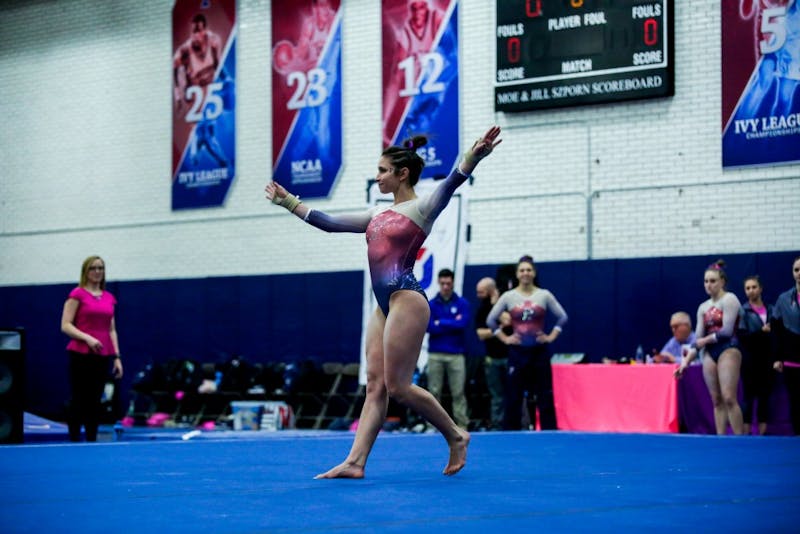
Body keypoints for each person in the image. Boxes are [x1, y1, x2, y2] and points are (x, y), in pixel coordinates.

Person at [265, 125, 502, 477]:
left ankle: (455, 435)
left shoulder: (422, 208)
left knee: (399, 387)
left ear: (402, 173)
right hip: (384, 305)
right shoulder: (376, 215)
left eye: (382, 170)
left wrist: (473, 157)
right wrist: (288, 201)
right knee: (374, 384)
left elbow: (452, 181)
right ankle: (355, 462)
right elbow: (328, 223)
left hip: (407, 298)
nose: (377, 177)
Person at [486, 256, 568, 431]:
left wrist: (551, 336)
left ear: (534, 273)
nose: (525, 273)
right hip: (518, 352)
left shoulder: (543, 295)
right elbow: (491, 320)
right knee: (514, 395)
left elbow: (562, 317)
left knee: (545, 394)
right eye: (522, 270)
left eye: (529, 270)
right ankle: (510, 433)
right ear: (517, 274)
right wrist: (505, 338)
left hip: (539, 351)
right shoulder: (509, 296)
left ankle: (549, 431)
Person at [675, 260, 745, 435]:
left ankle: (740, 440)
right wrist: (684, 363)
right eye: (706, 281)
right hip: (709, 353)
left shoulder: (730, 299)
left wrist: (704, 341)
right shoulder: (703, 307)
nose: (709, 285)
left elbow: (727, 331)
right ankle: (721, 439)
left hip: (728, 348)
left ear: (722, 281)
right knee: (716, 400)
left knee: (729, 398)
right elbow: (696, 341)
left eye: (713, 281)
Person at [60, 256, 123, 442]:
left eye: (100, 268)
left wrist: (117, 357)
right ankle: (73, 439)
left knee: (95, 399)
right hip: (80, 352)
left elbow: (111, 329)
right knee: (79, 397)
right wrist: (87, 338)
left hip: (101, 354)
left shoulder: (109, 298)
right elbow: (65, 325)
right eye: (93, 268)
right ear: (86, 272)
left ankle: (91, 439)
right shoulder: (77, 294)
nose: (97, 272)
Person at [426, 268, 470, 430]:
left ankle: (462, 425)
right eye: (443, 283)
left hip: (456, 354)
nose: (445, 286)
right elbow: (429, 327)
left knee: (458, 392)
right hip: (435, 354)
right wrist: (451, 321)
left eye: (448, 283)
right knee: (433, 393)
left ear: (452, 283)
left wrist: (441, 322)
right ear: (439, 282)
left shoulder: (462, 303)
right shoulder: (430, 304)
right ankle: (433, 425)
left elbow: (463, 324)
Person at [737, 275, 774, 435]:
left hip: (767, 360)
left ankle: (763, 432)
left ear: (761, 289)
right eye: (747, 288)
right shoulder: (743, 311)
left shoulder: (771, 309)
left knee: (765, 397)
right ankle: (746, 433)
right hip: (749, 361)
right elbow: (742, 336)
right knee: (748, 397)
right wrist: (761, 332)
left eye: (754, 287)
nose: (751, 290)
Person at [771, 255, 800, 435]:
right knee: (796, 398)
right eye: (796, 270)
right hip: (792, 358)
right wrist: (777, 357)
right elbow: (777, 331)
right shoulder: (783, 299)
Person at [475, 277, 508, 430]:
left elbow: (508, 321)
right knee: (497, 396)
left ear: (490, 291)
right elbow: (481, 334)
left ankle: (516, 423)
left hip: (509, 357)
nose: (478, 295)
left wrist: (496, 304)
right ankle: (497, 425)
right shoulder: (482, 309)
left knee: (514, 394)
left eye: (481, 292)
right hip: (492, 358)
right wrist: (498, 328)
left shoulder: (505, 303)